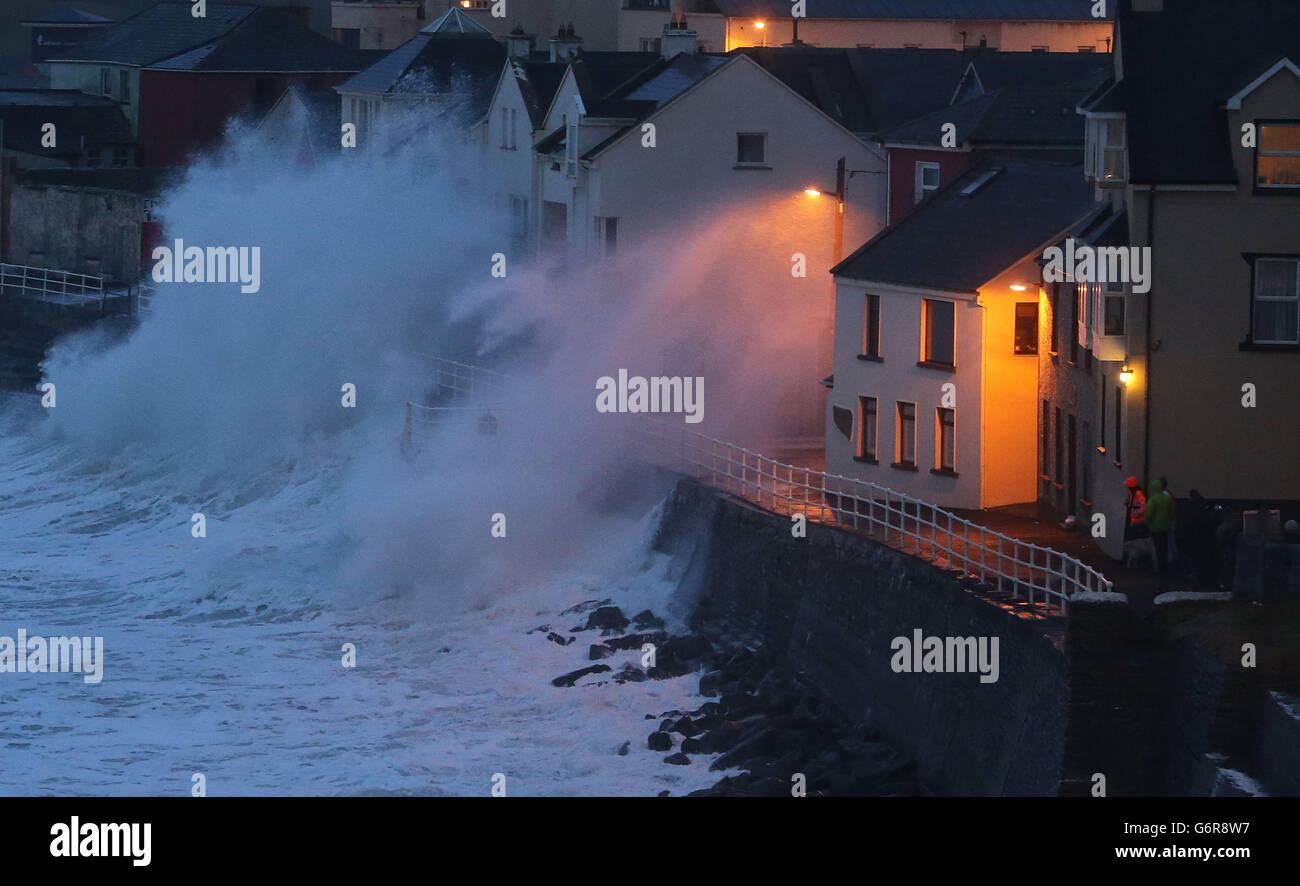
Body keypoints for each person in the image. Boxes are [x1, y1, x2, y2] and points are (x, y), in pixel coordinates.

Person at [1144, 478, 1174, 575]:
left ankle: (1157, 568)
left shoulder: (1153, 499)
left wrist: (1147, 523)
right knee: (1164, 548)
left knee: (1155, 549)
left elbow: (1149, 515)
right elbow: (1171, 513)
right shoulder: (1167, 499)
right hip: (1165, 527)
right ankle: (1164, 567)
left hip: (1154, 528)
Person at [1160, 477, 1179, 568]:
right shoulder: (1169, 494)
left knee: (1168, 541)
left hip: (1167, 521)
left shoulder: (1164, 494)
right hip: (1172, 520)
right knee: (1171, 540)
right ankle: (1174, 559)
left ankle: (1170, 560)